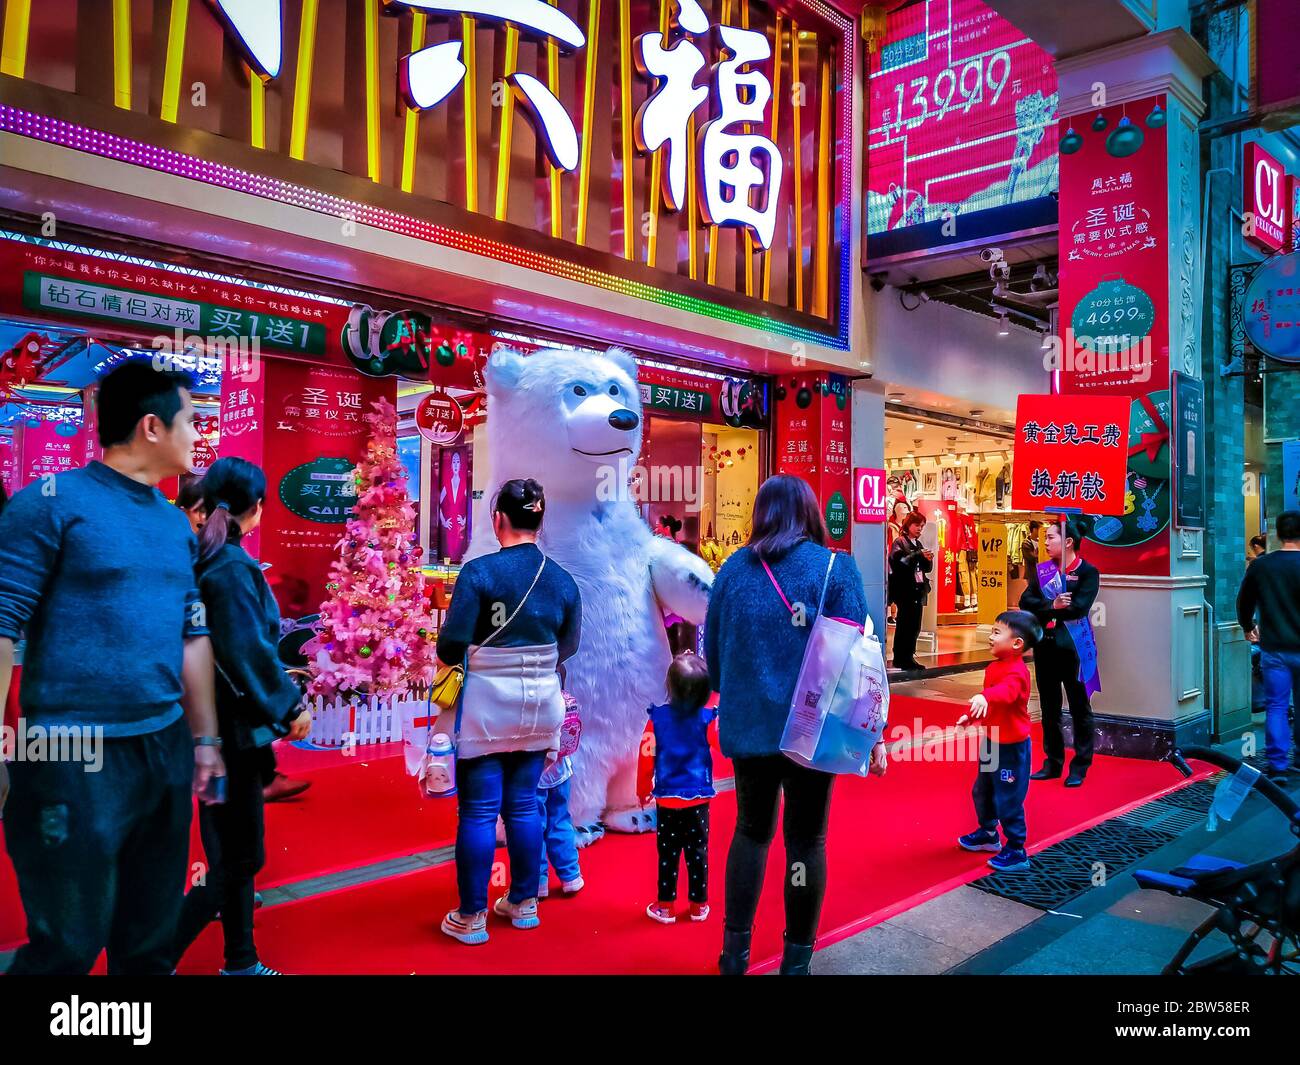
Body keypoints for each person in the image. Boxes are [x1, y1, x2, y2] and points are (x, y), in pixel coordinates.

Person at [0, 359, 223, 974]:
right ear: (152, 427)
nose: (198, 437)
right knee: (68, 941)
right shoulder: (49, 506)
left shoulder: (175, 526)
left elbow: (191, 635)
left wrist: (204, 738)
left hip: (163, 746)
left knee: (149, 938)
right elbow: (2, 619)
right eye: (191, 422)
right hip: (71, 753)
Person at [704, 474, 884, 976]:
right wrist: (874, 733)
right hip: (815, 729)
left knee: (750, 832)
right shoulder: (835, 568)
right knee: (806, 842)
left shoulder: (733, 571)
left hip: (749, 728)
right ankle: (796, 962)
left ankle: (734, 954)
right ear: (810, 513)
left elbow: (712, 658)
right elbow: (860, 661)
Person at [169, 458, 312, 975]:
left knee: (228, 850)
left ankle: (241, 960)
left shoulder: (205, 559)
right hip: (232, 731)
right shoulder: (231, 566)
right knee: (240, 858)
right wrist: (289, 705)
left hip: (209, 727)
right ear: (254, 507)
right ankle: (154, 958)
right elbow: (247, 650)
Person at [435, 478, 582, 945]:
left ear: (498, 519)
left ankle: (471, 915)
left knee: (478, 811)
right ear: (540, 521)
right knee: (523, 805)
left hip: (484, 704)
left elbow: (451, 643)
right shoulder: (562, 580)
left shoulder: (478, 574)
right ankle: (522, 903)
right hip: (541, 702)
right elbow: (569, 646)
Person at [957, 610, 1042, 873]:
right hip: (992, 742)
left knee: (1009, 797)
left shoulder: (1018, 673)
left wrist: (986, 697)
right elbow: (989, 702)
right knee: (982, 790)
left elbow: (1004, 694)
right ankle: (988, 833)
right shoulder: (994, 668)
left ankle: (1017, 848)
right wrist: (971, 715)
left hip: (1012, 747)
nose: (990, 637)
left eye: (996, 632)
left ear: (1017, 643)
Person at [638, 652, 718, 925]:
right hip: (698, 798)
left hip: (668, 799)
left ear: (669, 686)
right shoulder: (707, 719)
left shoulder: (657, 719)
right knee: (698, 852)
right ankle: (698, 906)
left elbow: (646, 754)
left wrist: (642, 788)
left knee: (668, 854)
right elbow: (720, 745)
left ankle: (665, 906)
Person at [1019, 519, 1100, 788]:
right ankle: (1052, 762)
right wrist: (1052, 605)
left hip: (1073, 649)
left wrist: (1049, 609)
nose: (1045, 542)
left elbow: (1078, 608)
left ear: (1067, 542)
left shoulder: (1088, 572)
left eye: (1050, 538)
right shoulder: (1043, 571)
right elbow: (1025, 601)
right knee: (1049, 708)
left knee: (1079, 707)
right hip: (1046, 647)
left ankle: (1080, 765)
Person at [1237, 510, 1300, 785]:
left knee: (1276, 706)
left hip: (1274, 647)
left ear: (1278, 534)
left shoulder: (1262, 566)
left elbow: (1244, 600)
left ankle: (1278, 765)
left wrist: (1247, 626)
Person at [536, 691, 584, 899]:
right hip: (561, 768)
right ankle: (570, 875)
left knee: (533, 827)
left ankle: (538, 880)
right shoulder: (557, 683)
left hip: (533, 773)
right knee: (561, 821)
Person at [888, 512, 933, 672]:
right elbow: (899, 562)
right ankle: (901, 657)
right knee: (905, 624)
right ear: (908, 525)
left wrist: (928, 559)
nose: (920, 529)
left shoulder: (918, 544)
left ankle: (908, 656)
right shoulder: (900, 542)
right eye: (917, 525)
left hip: (917, 590)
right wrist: (918, 555)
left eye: (922, 526)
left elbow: (925, 569)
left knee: (914, 625)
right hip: (905, 590)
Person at [885, 500, 911, 626]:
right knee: (892, 587)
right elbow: (890, 545)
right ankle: (890, 614)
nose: (905, 512)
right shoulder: (891, 527)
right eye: (903, 510)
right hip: (894, 561)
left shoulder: (903, 529)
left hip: (903, 562)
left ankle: (897, 614)